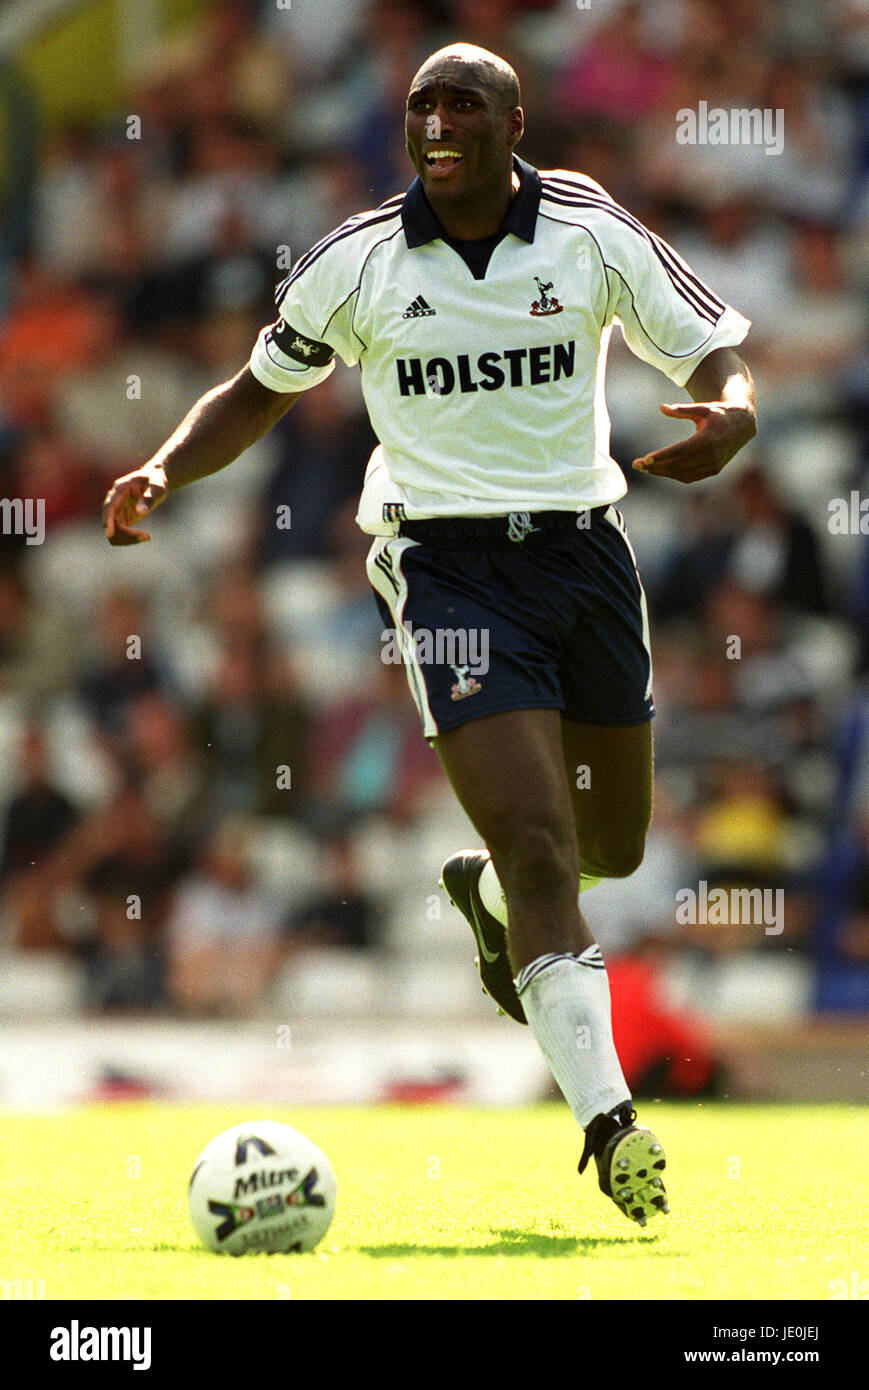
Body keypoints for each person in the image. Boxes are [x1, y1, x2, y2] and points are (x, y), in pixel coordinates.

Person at [102, 43, 756, 1228]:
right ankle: (609, 1125)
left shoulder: (587, 229)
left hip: (583, 554)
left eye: (462, 103)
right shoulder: (355, 261)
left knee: (611, 844)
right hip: (443, 565)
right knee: (541, 844)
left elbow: (706, 340)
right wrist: (160, 466)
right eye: (419, 105)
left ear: (514, 120)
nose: (435, 121)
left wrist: (733, 404)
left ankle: (492, 908)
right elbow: (256, 389)